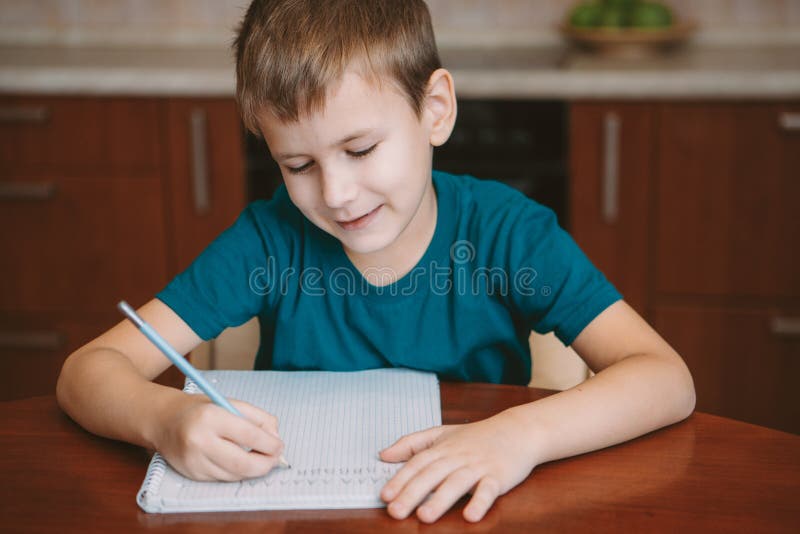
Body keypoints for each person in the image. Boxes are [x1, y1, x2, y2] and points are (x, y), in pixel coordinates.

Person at [56, 0, 696, 524]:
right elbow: (86, 371)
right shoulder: (268, 242)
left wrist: (517, 436)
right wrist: (165, 419)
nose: (335, 194)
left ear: (434, 111)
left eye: (360, 150)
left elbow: (667, 379)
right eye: (298, 165)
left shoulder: (509, 235)